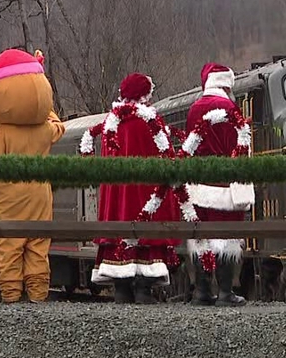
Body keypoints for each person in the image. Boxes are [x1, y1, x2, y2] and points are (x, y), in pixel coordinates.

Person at [79, 73, 180, 304]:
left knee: (119, 229)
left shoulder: (111, 124)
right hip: (145, 194)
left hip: (117, 195)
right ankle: (144, 288)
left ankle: (122, 289)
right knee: (146, 234)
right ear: (144, 95)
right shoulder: (150, 122)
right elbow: (166, 158)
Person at [0, 48, 66, 303]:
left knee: (9, 246)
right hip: (40, 199)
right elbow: (59, 127)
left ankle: (11, 294)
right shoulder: (45, 130)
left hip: (9, 203)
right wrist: (47, 111)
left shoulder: (2, 134)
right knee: (38, 247)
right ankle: (38, 294)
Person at [181, 62, 253, 306]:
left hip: (198, 186)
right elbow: (238, 148)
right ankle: (225, 292)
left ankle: (201, 290)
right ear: (227, 84)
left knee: (201, 238)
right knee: (227, 238)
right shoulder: (229, 108)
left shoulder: (194, 109)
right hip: (224, 187)